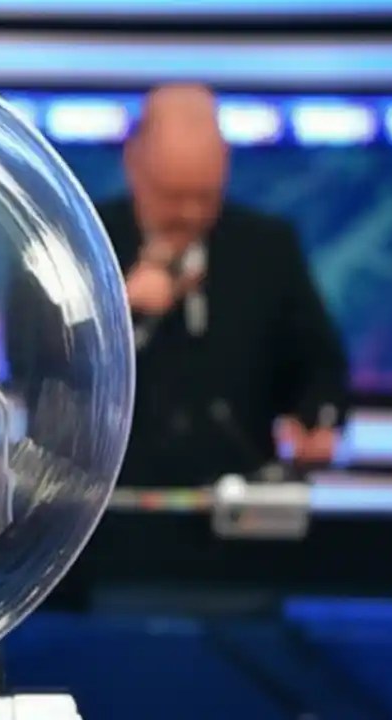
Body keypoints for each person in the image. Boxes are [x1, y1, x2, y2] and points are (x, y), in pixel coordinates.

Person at [97, 83, 350, 487]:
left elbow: (321, 366)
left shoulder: (269, 247)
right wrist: (115, 309)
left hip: (241, 501)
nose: (189, 213)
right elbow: (34, 357)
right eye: (173, 196)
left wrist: (317, 420)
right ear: (134, 163)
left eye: (205, 196)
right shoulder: (88, 243)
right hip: (111, 505)